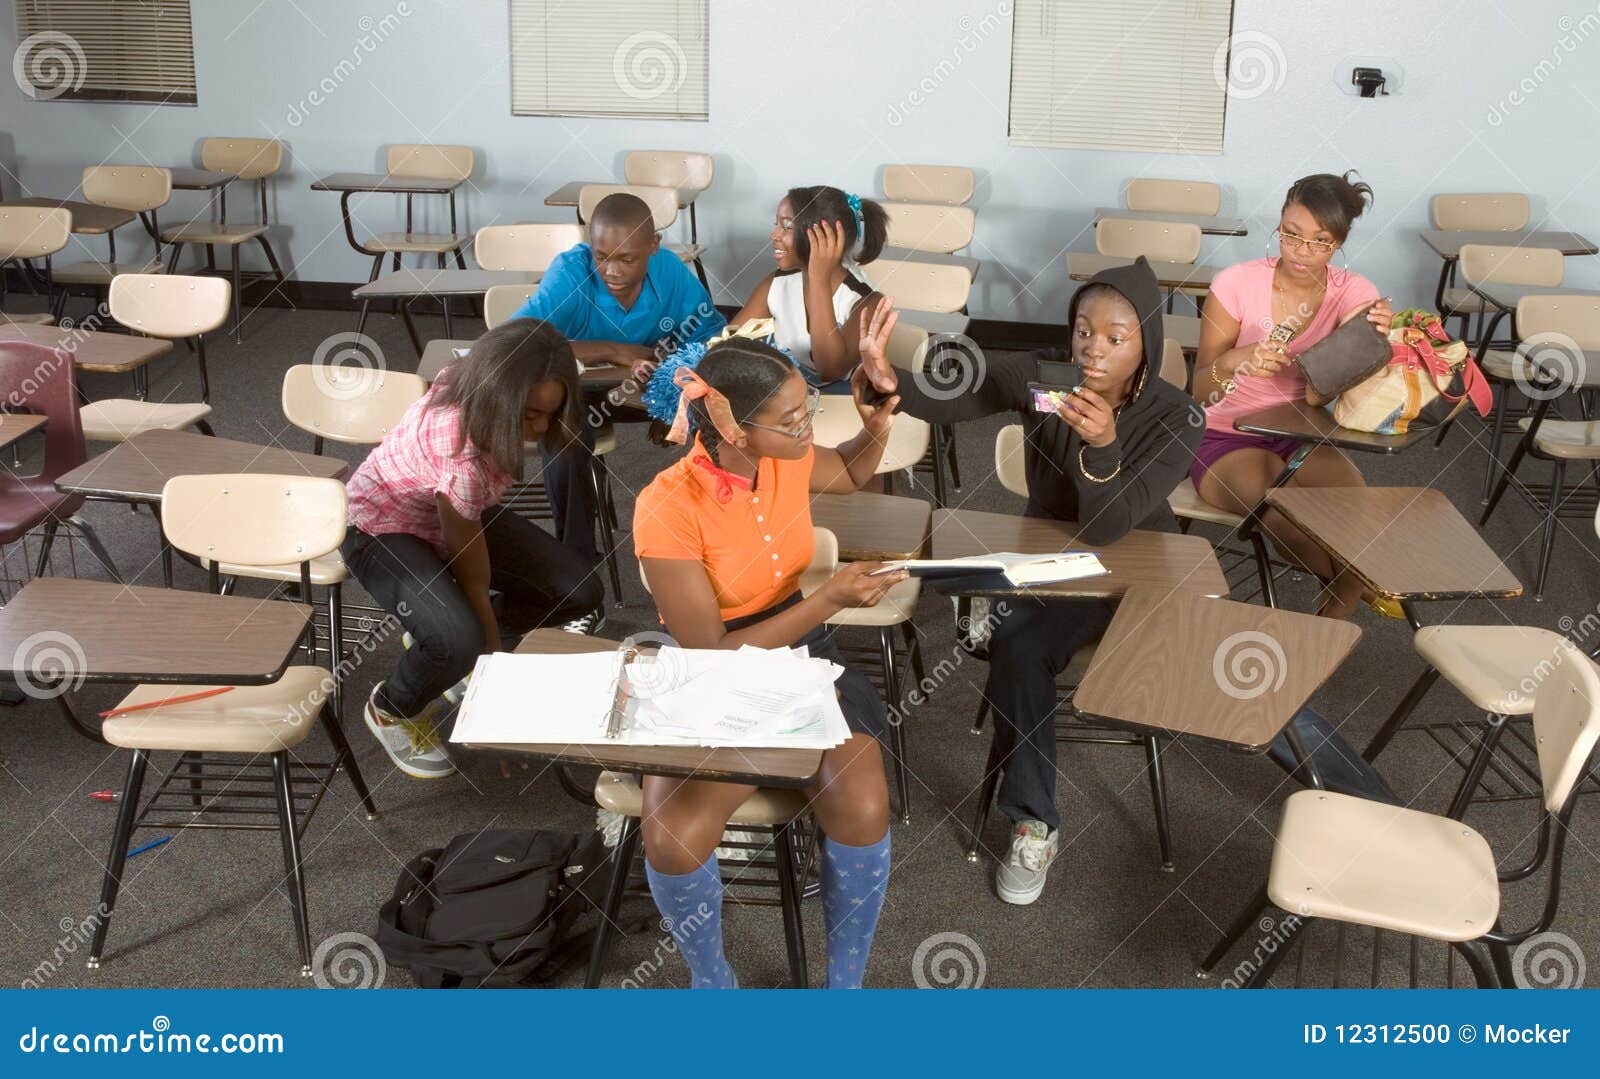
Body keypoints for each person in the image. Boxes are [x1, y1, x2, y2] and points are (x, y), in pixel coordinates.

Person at [857, 259, 1203, 905]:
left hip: (1132, 568)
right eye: (1082, 331)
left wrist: (1102, 446)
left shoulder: (1175, 417)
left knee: (1017, 648)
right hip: (1046, 556)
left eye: (1114, 337)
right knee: (1016, 646)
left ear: (1147, 345)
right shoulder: (1050, 382)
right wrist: (891, 382)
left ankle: (1026, 777)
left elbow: (1106, 528)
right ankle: (1034, 820)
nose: (1092, 350)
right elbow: (964, 394)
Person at [631, 310, 906, 988]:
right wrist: (829, 599)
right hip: (709, 668)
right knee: (671, 835)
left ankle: (843, 989)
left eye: (806, 409)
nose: (808, 427)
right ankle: (712, 980)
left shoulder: (784, 457)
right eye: (790, 419)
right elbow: (713, 650)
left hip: (802, 648)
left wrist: (877, 424)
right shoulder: (666, 506)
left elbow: (848, 473)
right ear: (728, 427)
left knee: (863, 800)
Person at [341, 319, 604, 780]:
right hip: (379, 527)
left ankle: (443, 642)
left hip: (454, 512)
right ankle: (393, 708)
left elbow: (466, 537)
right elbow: (473, 574)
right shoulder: (460, 449)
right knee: (458, 638)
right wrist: (490, 676)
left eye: (549, 413)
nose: (539, 428)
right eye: (527, 415)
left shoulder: (474, 378)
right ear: (497, 396)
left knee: (579, 589)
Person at [1191, 172, 1394, 619]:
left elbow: (1332, 396)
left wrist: (1376, 342)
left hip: (1305, 431)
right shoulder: (1235, 284)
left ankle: (1344, 599)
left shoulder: (1355, 292)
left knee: (1362, 524)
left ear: (1339, 242)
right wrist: (1233, 361)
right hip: (1228, 434)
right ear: (1279, 225)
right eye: (1291, 235)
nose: (1302, 252)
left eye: (1320, 242)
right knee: (1283, 520)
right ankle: (1354, 595)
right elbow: (1200, 389)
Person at [509, 192, 726, 564]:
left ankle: (722, 547)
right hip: (578, 396)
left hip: (645, 390)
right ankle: (576, 561)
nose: (612, 270)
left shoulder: (670, 272)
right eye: (601, 256)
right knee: (566, 437)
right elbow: (517, 340)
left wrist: (675, 401)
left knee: (726, 412)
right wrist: (609, 349)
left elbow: (712, 340)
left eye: (627, 258)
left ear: (654, 246)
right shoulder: (571, 272)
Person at [729, 186, 888, 392]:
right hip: (787, 392)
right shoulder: (776, 283)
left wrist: (818, 279)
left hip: (842, 401)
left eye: (786, 227)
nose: (774, 235)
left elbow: (830, 370)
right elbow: (729, 341)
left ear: (824, 237)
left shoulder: (868, 301)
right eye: (776, 224)